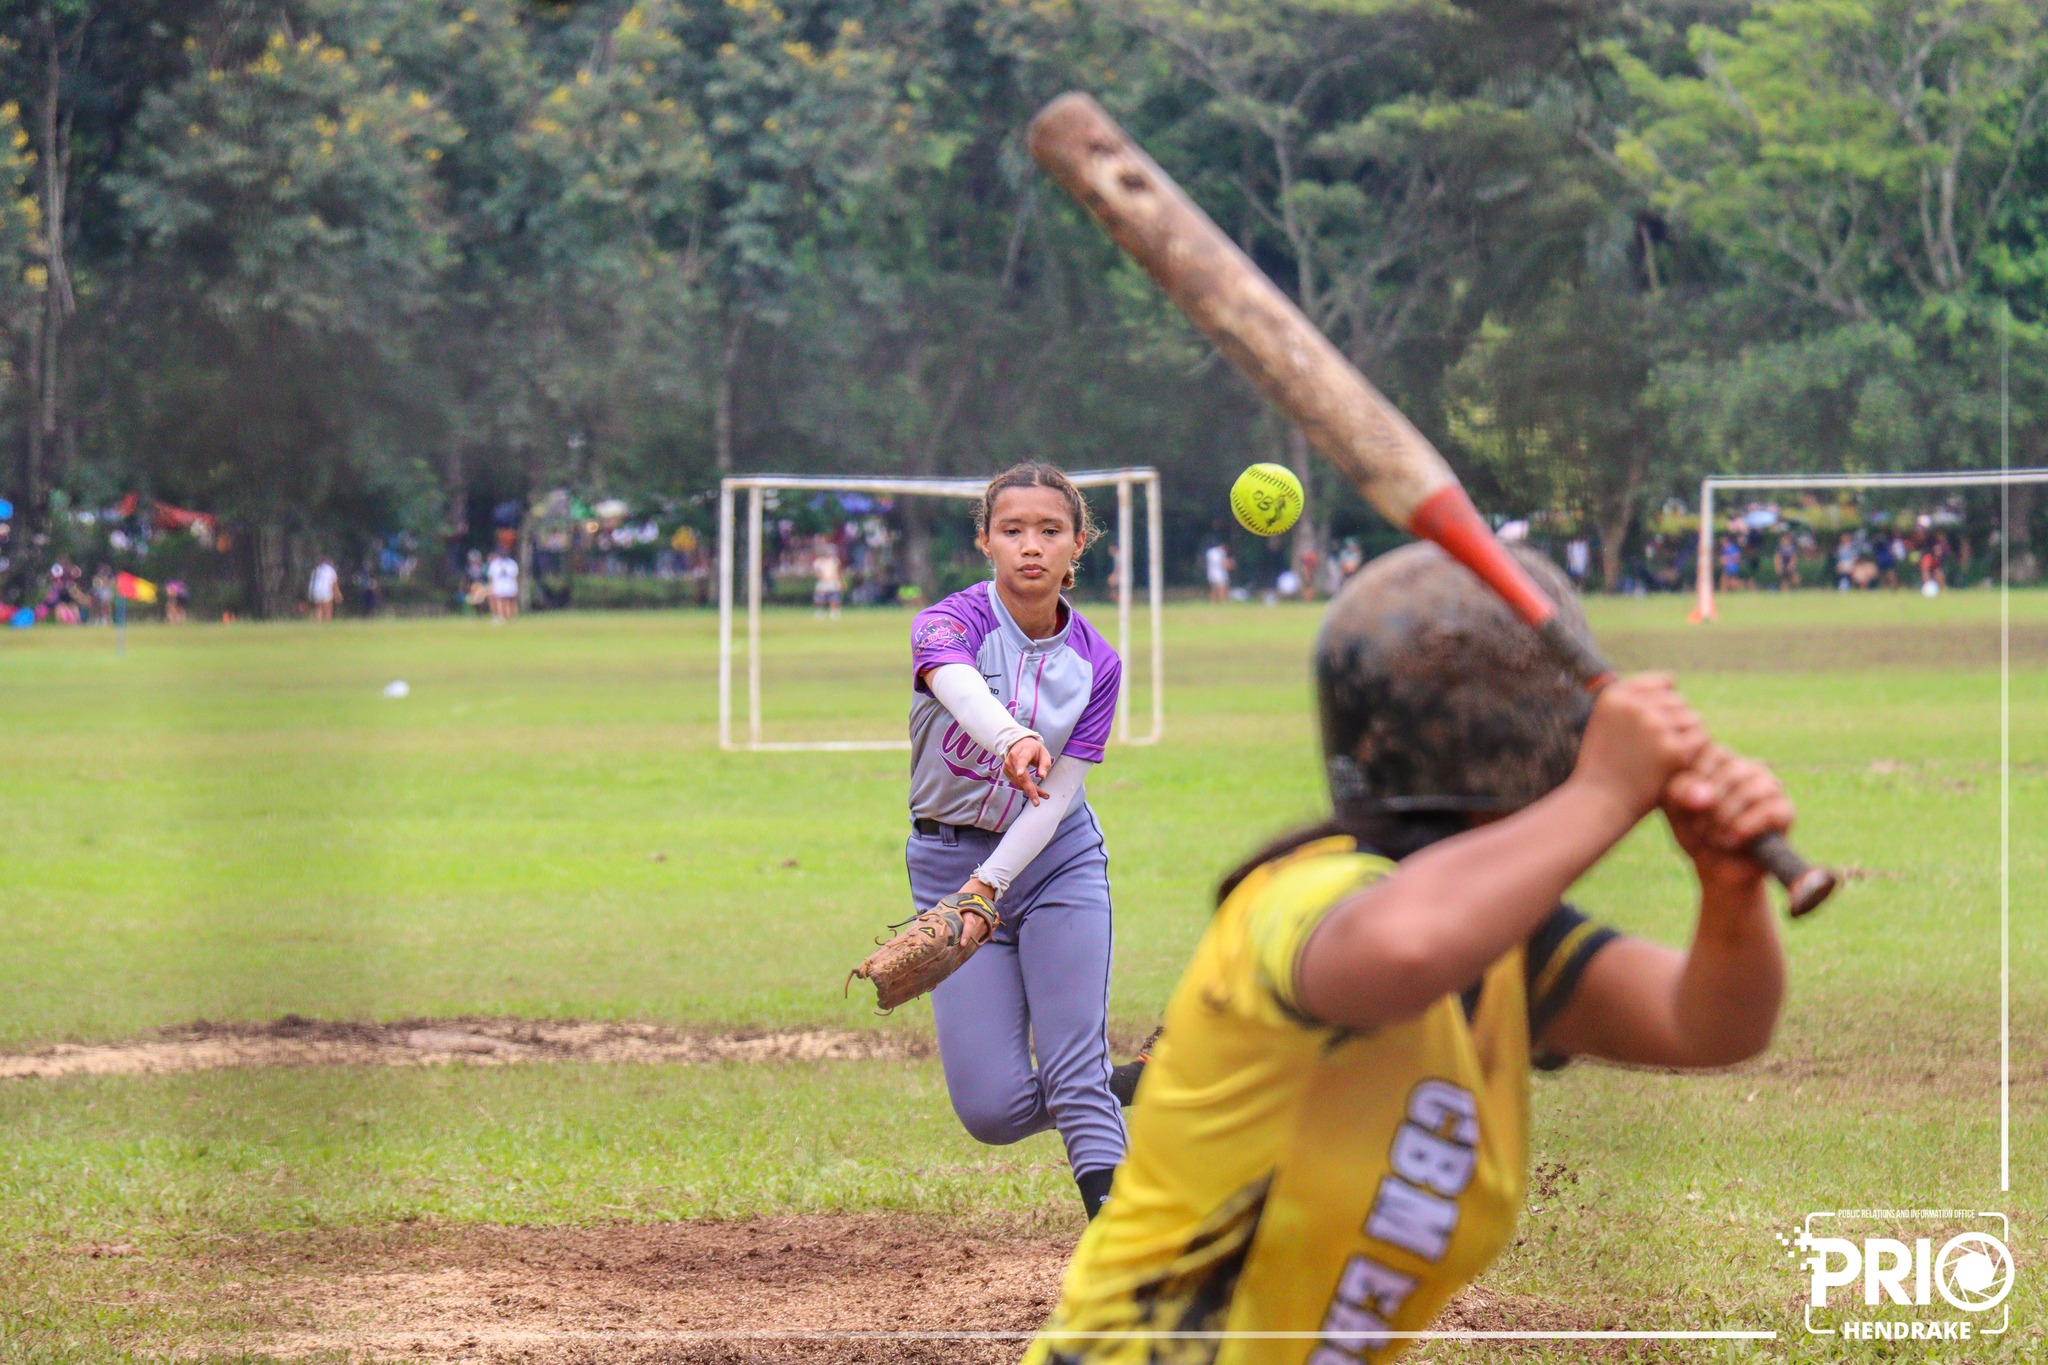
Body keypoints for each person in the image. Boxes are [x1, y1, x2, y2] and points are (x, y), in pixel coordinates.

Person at [1028, 543, 1789, 1364]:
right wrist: (1603, 794)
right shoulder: (1302, 898)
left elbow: (1710, 1023)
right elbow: (1402, 946)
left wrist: (1730, 888)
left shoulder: (1502, 946)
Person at [905, 463, 1128, 1222]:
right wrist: (1011, 736)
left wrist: (989, 887)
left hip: (1055, 858)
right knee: (993, 1111)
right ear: (985, 542)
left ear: (1078, 546)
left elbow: (1058, 795)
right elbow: (956, 682)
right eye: (1012, 530)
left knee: (1071, 1067)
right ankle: (1128, 1085)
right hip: (946, 860)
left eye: (1050, 530)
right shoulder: (947, 622)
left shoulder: (1098, 663)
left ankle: (1121, 1250)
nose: (1030, 546)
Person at [812, 541, 844, 620]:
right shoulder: (818, 562)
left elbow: (837, 572)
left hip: (832, 581)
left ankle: (834, 612)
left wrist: (838, 581)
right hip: (823, 582)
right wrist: (822, 578)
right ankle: (820, 612)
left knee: (834, 598)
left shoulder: (834, 561)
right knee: (820, 598)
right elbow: (817, 572)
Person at [486, 549, 520, 621]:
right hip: (499, 585)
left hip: (510, 584)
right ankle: (501, 616)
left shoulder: (512, 563)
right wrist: (491, 586)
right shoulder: (495, 564)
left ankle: (513, 617)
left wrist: (517, 585)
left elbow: (515, 575)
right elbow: (491, 576)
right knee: (500, 600)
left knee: (511, 601)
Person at [309, 557, 339, 622]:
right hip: (326, 590)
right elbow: (334, 584)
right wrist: (337, 594)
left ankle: (318, 622)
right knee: (328, 608)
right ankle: (328, 623)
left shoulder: (316, 570)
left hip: (316, 590)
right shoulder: (330, 570)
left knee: (318, 608)